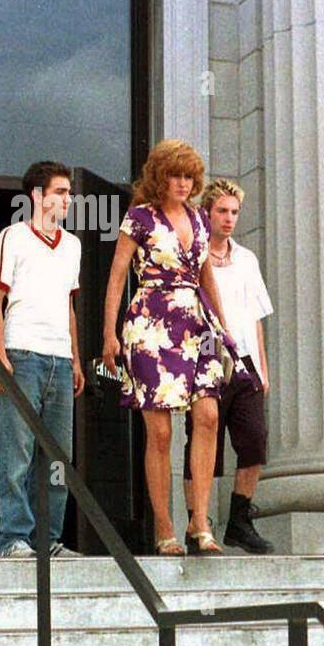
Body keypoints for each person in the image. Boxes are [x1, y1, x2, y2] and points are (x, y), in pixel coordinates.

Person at [102, 139, 249, 556]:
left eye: (188, 176)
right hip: (150, 322)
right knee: (161, 431)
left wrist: (224, 330)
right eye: (175, 175)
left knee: (207, 415)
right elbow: (116, 278)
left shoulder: (201, 221)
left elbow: (208, 279)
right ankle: (164, 529)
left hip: (196, 323)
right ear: (159, 177)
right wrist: (109, 334)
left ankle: (200, 523)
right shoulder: (139, 218)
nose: (183, 183)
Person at [0, 161, 84, 557]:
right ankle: (13, 539)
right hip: (21, 353)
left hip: (59, 360)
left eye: (69, 192)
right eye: (59, 191)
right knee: (17, 452)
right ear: (37, 196)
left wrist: (76, 359)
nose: (67, 198)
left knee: (58, 458)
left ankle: (48, 540)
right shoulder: (13, 237)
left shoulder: (73, 245)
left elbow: (69, 307)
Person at [182, 179, 275, 554]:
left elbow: (255, 318)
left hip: (245, 362)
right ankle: (196, 523)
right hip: (206, 357)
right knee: (205, 443)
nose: (229, 218)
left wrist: (262, 369)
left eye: (234, 212)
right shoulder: (194, 254)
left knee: (254, 440)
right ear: (207, 212)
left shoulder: (247, 259)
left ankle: (240, 520)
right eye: (222, 210)